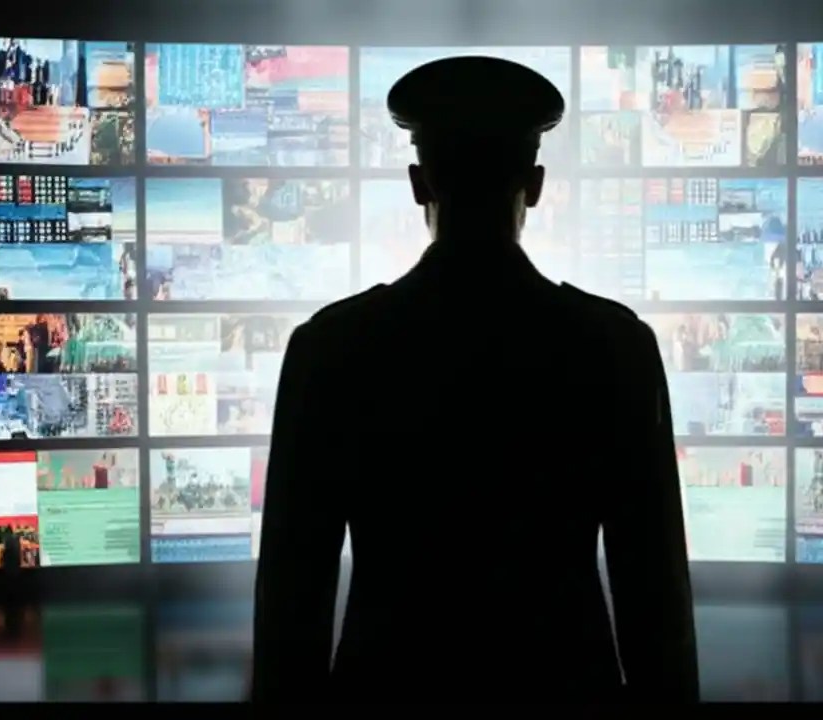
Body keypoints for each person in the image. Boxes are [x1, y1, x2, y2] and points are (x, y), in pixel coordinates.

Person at [253, 56, 697, 704]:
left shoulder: (331, 347)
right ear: (535, 185)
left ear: (418, 183)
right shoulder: (614, 345)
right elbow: (654, 595)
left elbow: (293, 600)